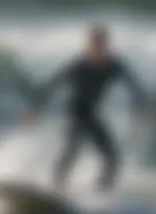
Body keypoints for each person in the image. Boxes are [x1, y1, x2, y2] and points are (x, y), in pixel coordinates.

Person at [29, 26, 148, 193]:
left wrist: (139, 109)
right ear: (88, 46)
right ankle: (56, 187)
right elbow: (52, 84)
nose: (96, 48)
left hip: (92, 114)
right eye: (92, 44)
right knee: (73, 149)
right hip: (74, 113)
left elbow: (135, 86)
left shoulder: (114, 66)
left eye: (100, 44)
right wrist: (35, 109)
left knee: (112, 158)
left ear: (107, 46)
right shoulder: (79, 66)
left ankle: (102, 192)